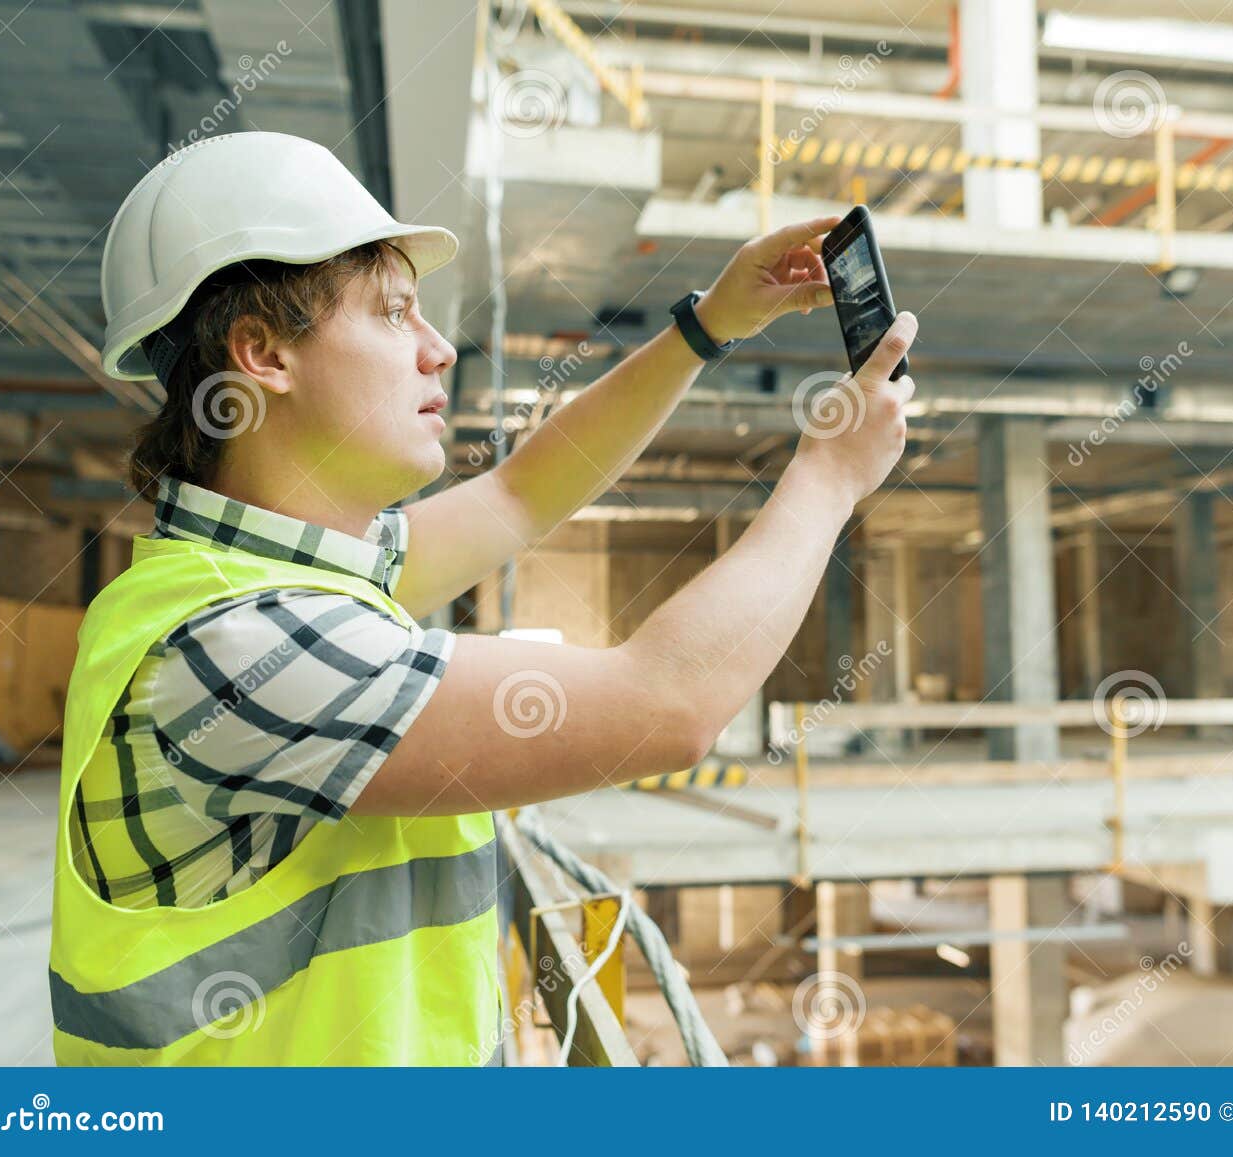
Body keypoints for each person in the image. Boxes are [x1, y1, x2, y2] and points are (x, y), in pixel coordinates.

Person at [49, 131, 916, 1065]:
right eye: (392, 314)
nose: (435, 350)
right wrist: (831, 477)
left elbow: (520, 492)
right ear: (262, 353)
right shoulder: (240, 647)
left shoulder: (283, 578)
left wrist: (709, 325)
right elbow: (666, 706)